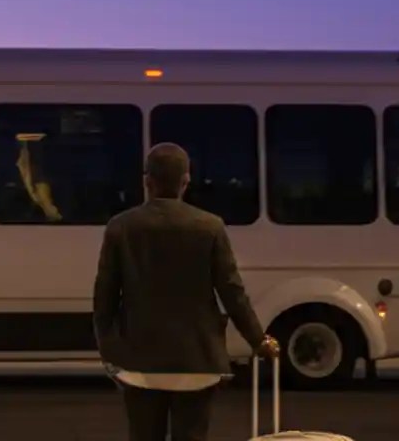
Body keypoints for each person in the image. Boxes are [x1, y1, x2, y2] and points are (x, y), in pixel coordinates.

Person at [93, 142, 279, 441]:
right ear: (186, 181)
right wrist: (258, 340)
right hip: (197, 361)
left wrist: (111, 354)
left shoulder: (121, 227)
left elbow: (104, 300)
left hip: (140, 362)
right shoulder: (209, 227)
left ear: (147, 181)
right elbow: (232, 292)